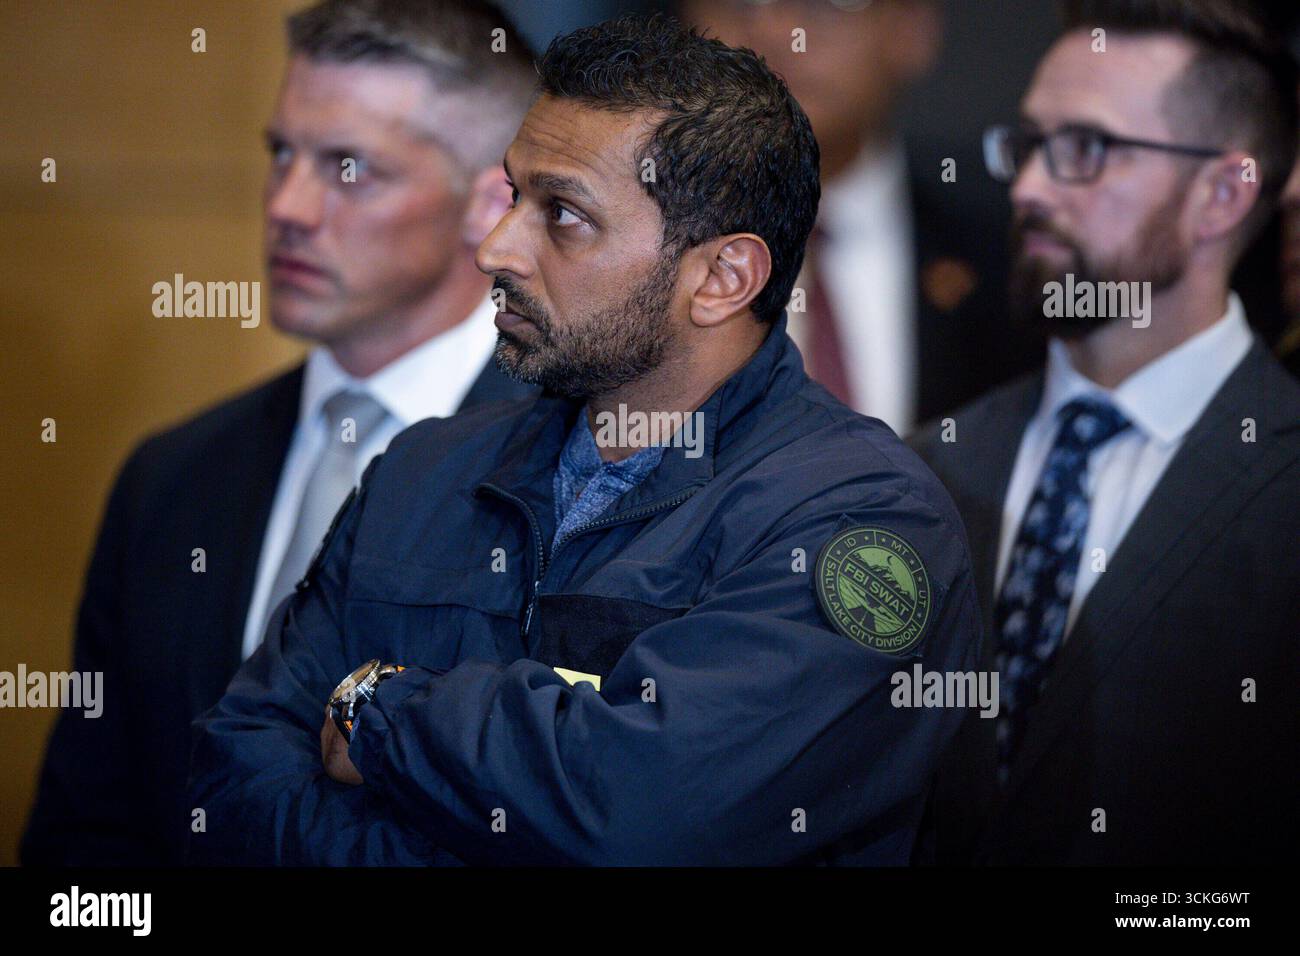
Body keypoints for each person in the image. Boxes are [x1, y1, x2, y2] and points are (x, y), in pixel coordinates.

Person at [187, 13, 982, 866]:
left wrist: (377, 707)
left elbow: (647, 814)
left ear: (721, 278)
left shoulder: (863, 521)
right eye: (512, 195)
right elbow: (236, 775)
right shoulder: (422, 471)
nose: (497, 248)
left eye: (561, 214)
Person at [22, 0, 536, 867]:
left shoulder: (587, 469)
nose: (288, 206)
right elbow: (87, 837)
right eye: (280, 155)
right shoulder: (175, 476)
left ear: (487, 205)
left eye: (348, 168)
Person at [912, 0, 1300, 864]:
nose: (1027, 189)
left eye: (1084, 149)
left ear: (1223, 194)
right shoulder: (921, 466)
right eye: (1028, 144)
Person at [679, 0, 1039, 434]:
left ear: (911, 27)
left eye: (824, 6)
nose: (775, 30)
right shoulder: (637, 243)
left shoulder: (1006, 243)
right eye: (742, 3)